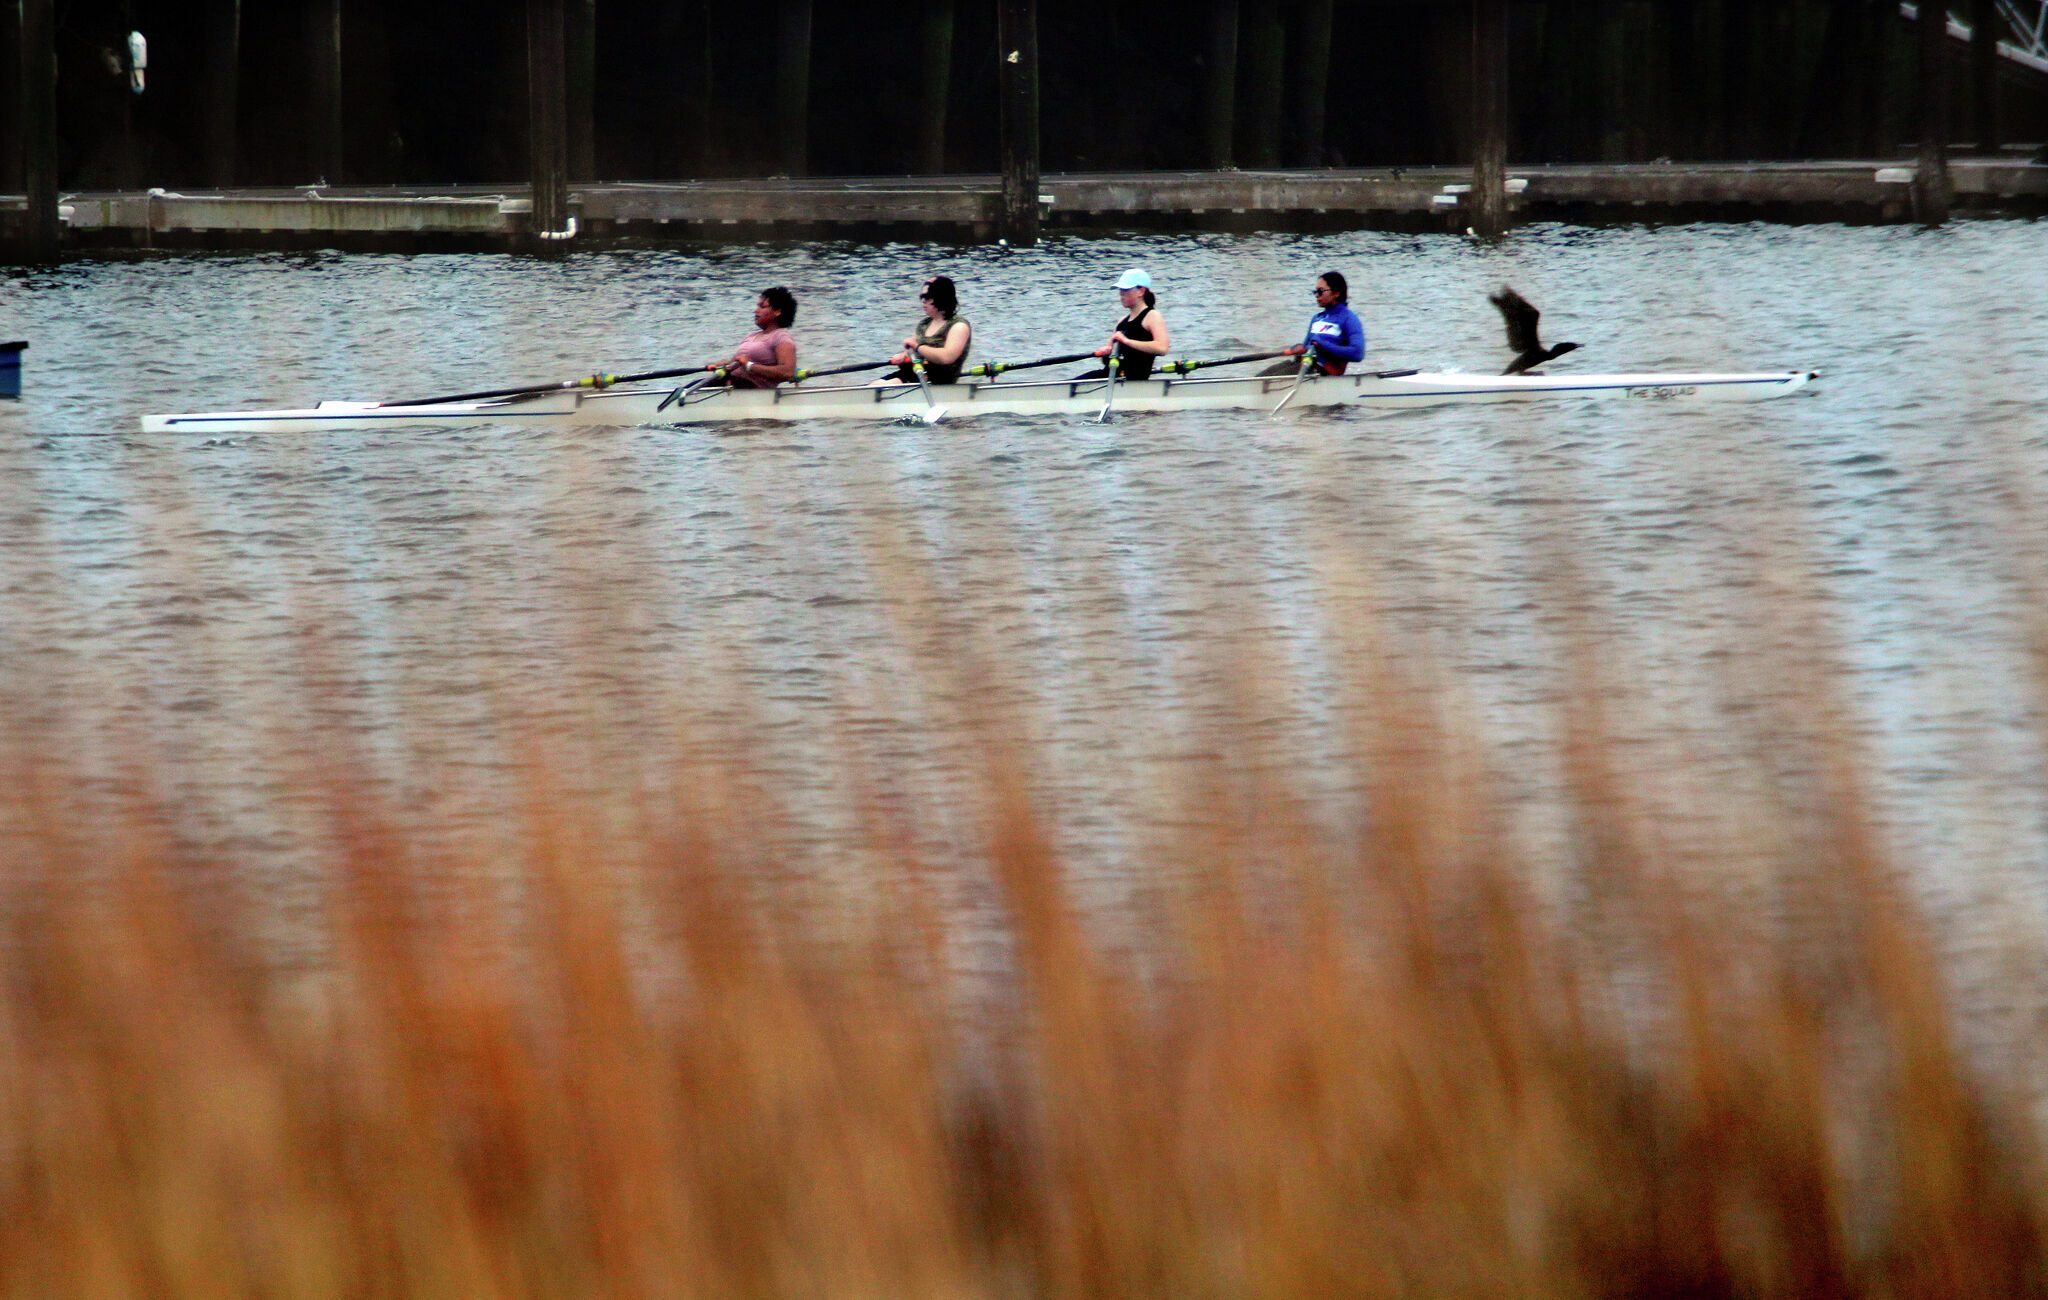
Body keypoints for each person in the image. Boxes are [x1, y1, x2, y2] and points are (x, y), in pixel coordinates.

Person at [1262, 271, 1365, 376]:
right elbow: (1306, 347)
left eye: (1320, 291)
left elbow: (1357, 354)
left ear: (1336, 293)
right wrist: (1299, 347)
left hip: (1323, 371)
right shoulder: (1316, 318)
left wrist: (1323, 344)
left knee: (1271, 379)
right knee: (1262, 376)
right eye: (1315, 291)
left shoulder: (1349, 319)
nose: (1316, 295)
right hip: (1304, 366)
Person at [1079, 267, 1171, 380]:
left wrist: (1127, 341)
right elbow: (1110, 358)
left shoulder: (1152, 316)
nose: (1121, 294)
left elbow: (1162, 348)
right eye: (1120, 290)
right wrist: (1105, 353)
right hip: (1111, 377)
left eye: (1126, 290)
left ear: (1141, 292)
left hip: (1133, 380)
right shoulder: (1121, 321)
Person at [883, 276, 972, 385]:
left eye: (927, 297)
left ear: (941, 298)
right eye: (922, 297)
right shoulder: (924, 324)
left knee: (885, 386)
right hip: (916, 373)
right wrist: (903, 356)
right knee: (875, 384)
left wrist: (917, 347)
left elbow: (947, 357)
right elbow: (914, 352)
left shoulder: (959, 326)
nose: (923, 301)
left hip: (939, 379)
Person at [705, 287, 798, 387]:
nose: (756, 311)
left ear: (777, 311)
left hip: (750, 389)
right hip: (731, 383)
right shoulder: (751, 336)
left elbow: (788, 372)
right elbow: (738, 364)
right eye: (757, 306)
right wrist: (726, 365)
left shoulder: (781, 337)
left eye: (762, 307)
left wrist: (749, 366)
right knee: (690, 387)